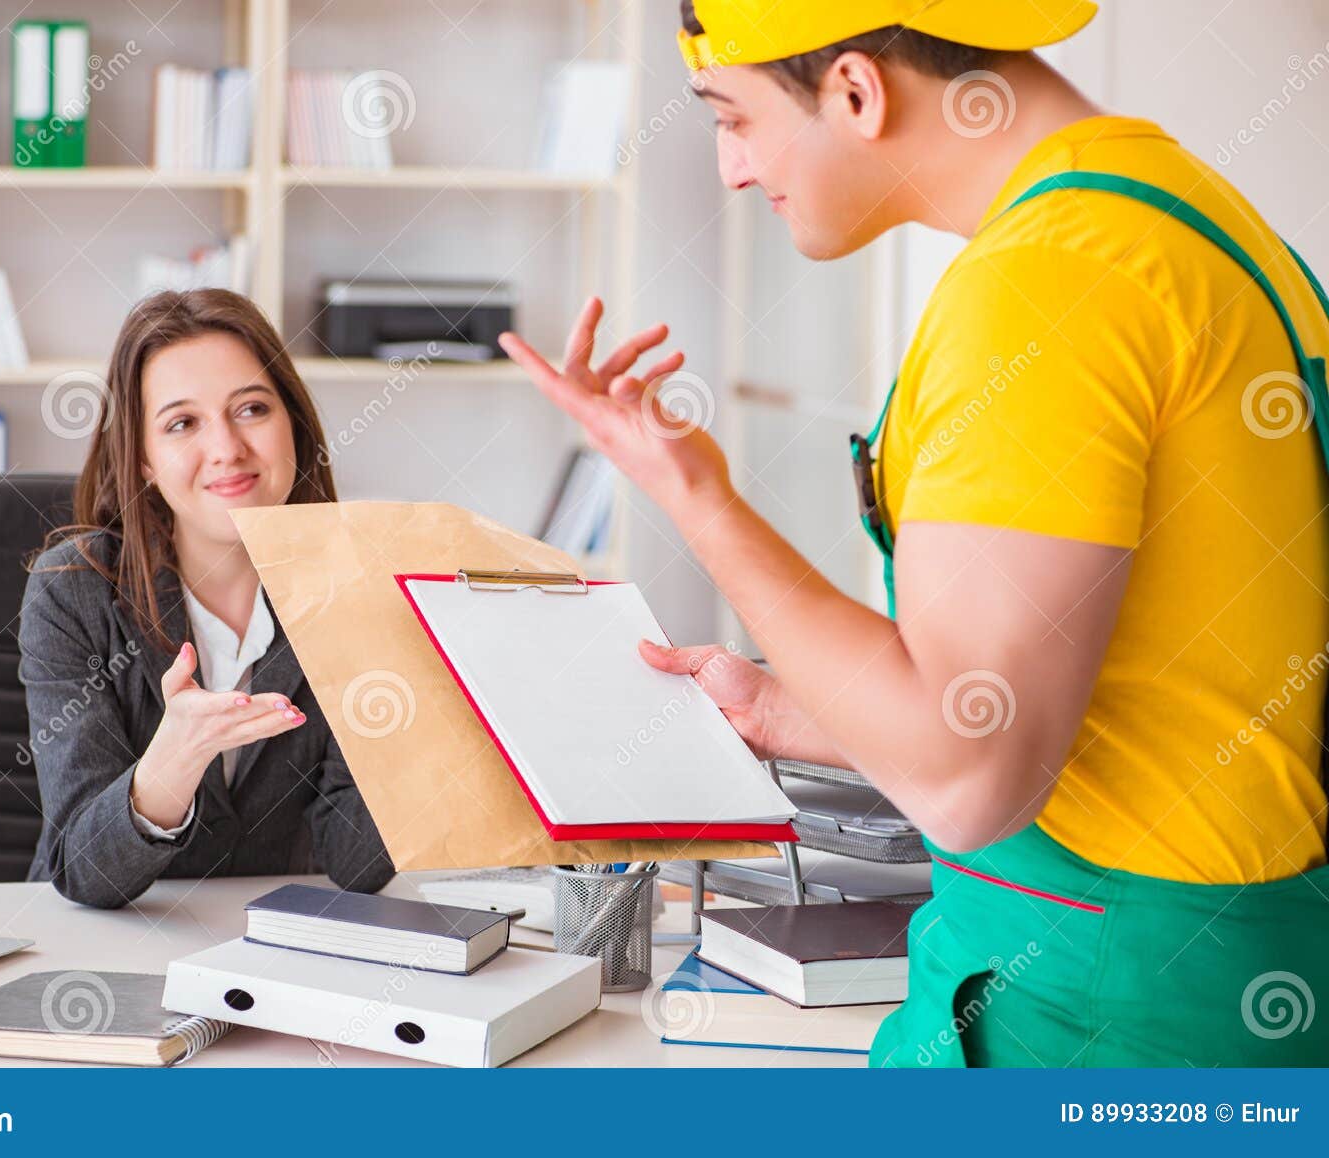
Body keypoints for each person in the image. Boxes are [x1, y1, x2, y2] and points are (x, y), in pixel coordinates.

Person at [500, 0, 1329, 1066]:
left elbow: (971, 774)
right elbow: (1120, 703)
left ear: (855, 89)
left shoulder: (1044, 287)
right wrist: (793, 710)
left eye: (733, 116)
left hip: (1093, 1024)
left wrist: (695, 494)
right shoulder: (1187, 220)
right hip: (1222, 987)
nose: (731, 170)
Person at [20, 288, 393, 909]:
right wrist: (174, 760)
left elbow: (355, 863)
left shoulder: (352, 591)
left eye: (251, 409)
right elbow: (84, 873)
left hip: (280, 949)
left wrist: (418, 711)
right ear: (142, 458)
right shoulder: (73, 591)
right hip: (96, 949)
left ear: (293, 425)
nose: (226, 449)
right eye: (182, 423)